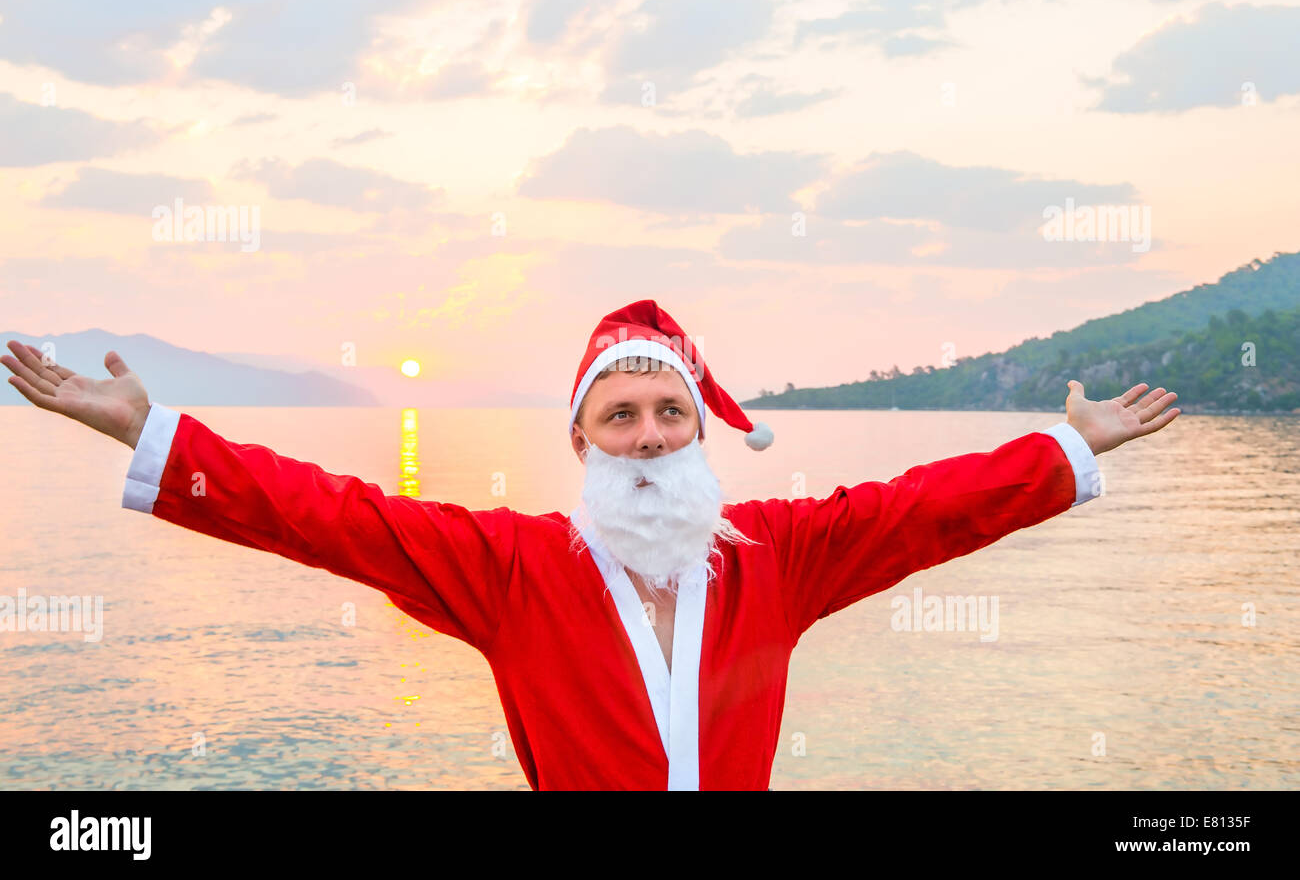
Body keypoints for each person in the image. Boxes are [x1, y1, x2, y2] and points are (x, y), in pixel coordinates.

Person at [2, 299, 1180, 790]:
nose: (650, 435)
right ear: (580, 440)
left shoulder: (776, 554)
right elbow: (335, 517)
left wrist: (1063, 451)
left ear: (700, 430)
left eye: (670, 412)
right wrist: (153, 433)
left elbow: (920, 510)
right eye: (621, 415)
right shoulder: (509, 570)